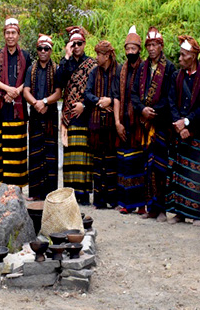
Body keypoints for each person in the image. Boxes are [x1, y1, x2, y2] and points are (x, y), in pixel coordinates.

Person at [131, 27, 175, 221]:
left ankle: (162, 208)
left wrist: (153, 112)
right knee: (147, 167)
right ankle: (151, 207)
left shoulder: (170, 68)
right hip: (145, 123)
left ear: (161, 46)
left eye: (154, 45)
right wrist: (142, 109)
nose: (151, 49)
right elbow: (133, 93)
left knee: (161, 167)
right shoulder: (142, 68)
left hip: (161, 124)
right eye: (148, 45)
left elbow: (170, 97)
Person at [168, 36, 200, 225]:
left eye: (183, 55)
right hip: (178, 130)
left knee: (194, 173)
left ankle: (194, 214)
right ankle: (179, 212)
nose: (179, 58)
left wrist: (187, 123)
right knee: (178, 171)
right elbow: (171, 101)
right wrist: (178, 123)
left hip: (195, 130)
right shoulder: (176, 76)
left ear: (193, 56)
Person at [58, 26, 97, 205]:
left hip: (85, 113)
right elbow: (59, 81)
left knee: (83, 156)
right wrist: (66, 55)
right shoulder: (66, 63)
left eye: (80, 43)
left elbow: (95, 89)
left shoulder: (91, 64)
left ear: (85, 44)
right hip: (69, 114)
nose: (77, 47)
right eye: (74, 44)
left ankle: (83, 194)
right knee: (70, 155)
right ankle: (70, 194)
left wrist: (84, 105)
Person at [0, 17, 31, 187]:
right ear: (4, 34)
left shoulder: (26, 56)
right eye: (7, 33)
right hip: (3, 107)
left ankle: (19, 187)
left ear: (18, 35)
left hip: (19, 107)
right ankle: (5, 186)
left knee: (20, 147)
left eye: (13, 33)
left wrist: (17, 91)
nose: (10, 36)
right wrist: (9, 90)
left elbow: (28, 79)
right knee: (5, 148)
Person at [23, 34, 62, 199]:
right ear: (37, 50)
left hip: (50, 114)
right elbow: (26, 91)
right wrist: (36, 104)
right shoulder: (31, 69)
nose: (43, 51)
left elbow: (59, 93)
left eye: (46, 48)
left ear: (51, 50)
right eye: (40, 48)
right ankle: (35, 192)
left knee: (50, 156)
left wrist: (44, 102)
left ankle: (50, 193)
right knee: (35, 154)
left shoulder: (57, 69)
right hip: (36, 114)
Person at [84, 40, 120, 208]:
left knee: (112, 161)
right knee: (98, 161)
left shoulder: (119, 71)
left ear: (107, 56)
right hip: (97, 124)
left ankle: (112, 199)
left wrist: (111, 101)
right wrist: (100, 101)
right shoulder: (94, 72)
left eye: (99, 54)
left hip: (113, 124)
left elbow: (122, 93)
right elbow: (87, 93)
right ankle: (99, 200)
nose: (96, 57)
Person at [114, 26, 145, 215]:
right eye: (128, 49)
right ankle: (126, 202)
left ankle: (140, 204)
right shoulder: (122, 69)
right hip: (123, 121)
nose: (130, 52)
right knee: (123, 163)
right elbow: (116, 96)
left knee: (138, 163)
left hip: (139, 124)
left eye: (134, 49)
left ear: (139, 50)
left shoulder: (144, 68)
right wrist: (117, 122)